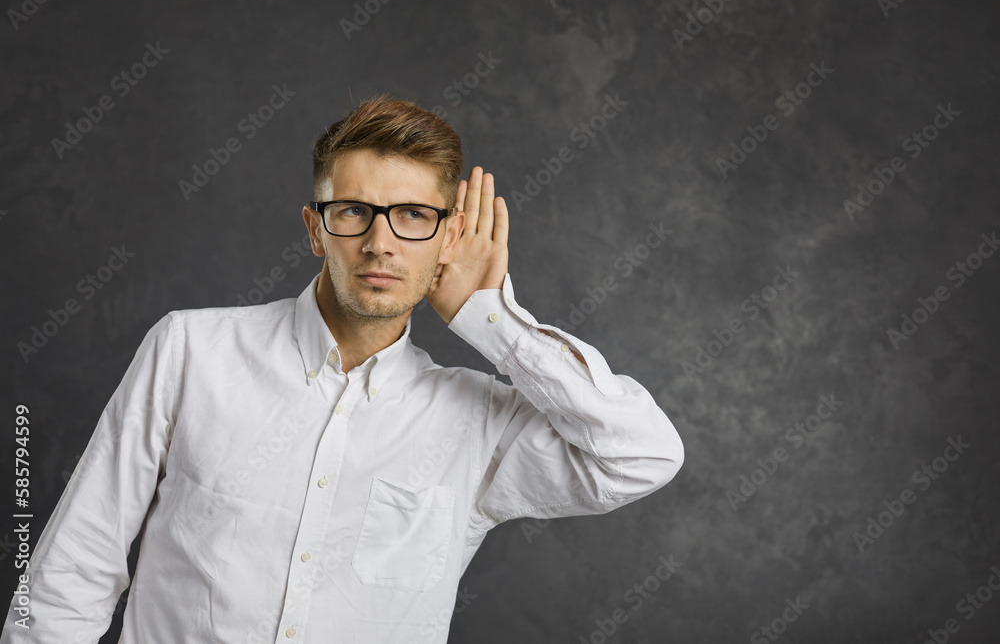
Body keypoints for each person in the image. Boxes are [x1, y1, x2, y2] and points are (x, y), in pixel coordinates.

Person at [1, 94, 684, 643]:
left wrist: (493, 320)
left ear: (448, 237)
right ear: (313, 227)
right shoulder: (189, 351)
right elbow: (73, 571)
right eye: (354, 211)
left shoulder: (475, 422)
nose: (381, 242)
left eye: (413, 215)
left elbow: (641, 455)